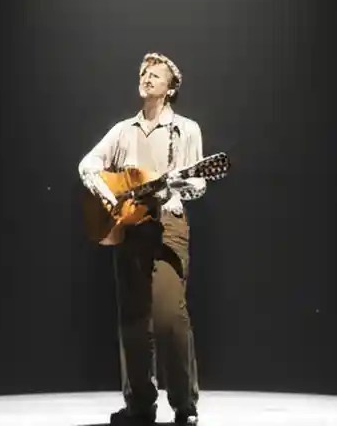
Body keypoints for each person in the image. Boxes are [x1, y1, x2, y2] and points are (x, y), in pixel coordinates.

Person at [78, 53, 207, 425]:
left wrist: (174, 186)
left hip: (168, 224)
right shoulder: (122, 131)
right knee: (133, 319)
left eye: (156, 74)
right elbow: (88, 164)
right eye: (144, 72)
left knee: (169, 316)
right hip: (131, 227)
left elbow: (198, 184)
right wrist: (105, 192)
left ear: (171, 88)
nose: (147, 77)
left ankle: (184, 404)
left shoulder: (186, 129)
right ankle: (139, 404)